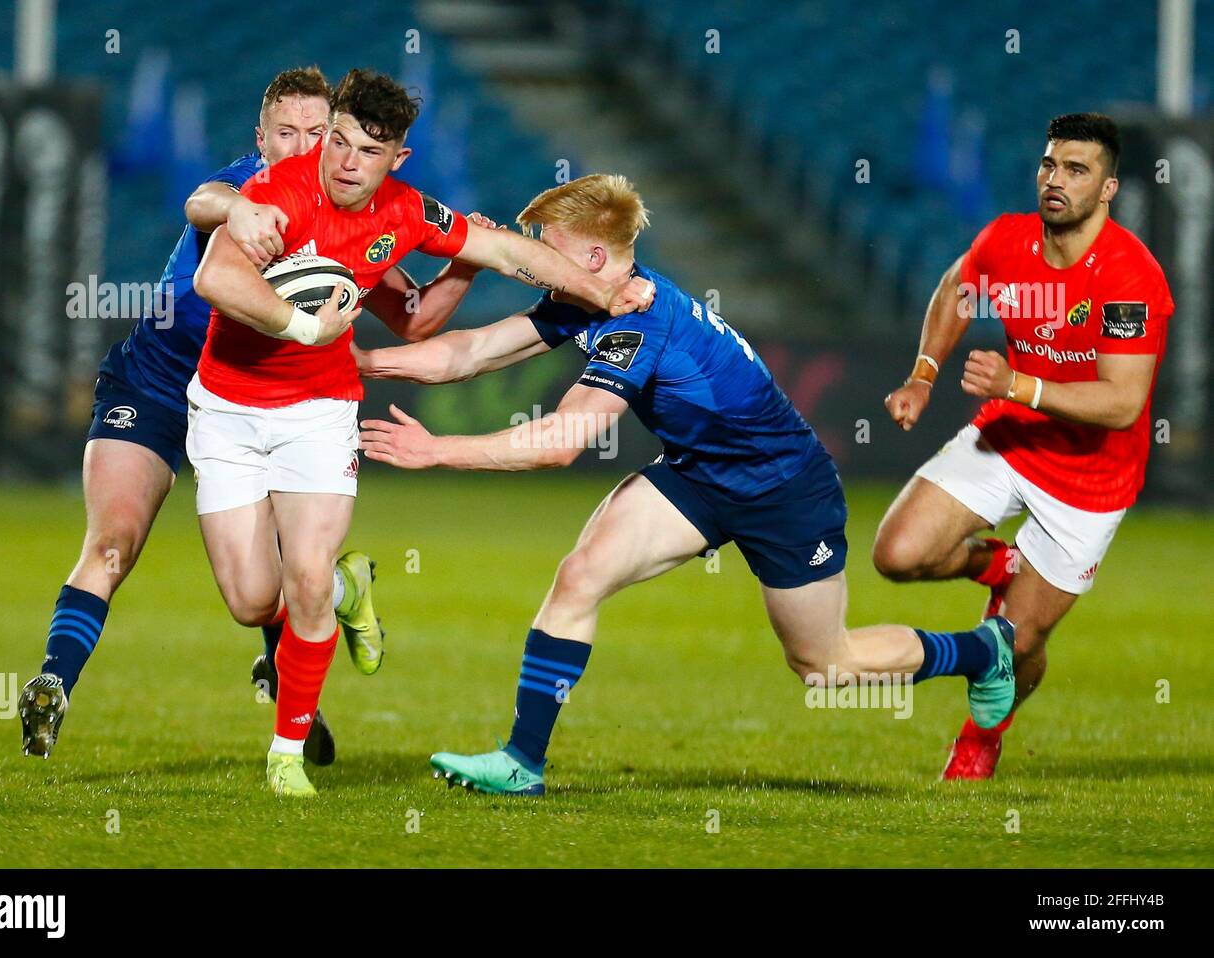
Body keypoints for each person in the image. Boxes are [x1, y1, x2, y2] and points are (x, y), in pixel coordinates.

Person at [355, 174, 1016, 796]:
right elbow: (470, 352)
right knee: (580, 575)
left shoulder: (636, 323)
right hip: (699, 474)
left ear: (590, 258)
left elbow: (560, 444)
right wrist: (359, 362)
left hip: (785, 490)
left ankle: (978, 652)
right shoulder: (588, 297)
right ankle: (522, 762)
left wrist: (439, 449)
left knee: (823, 666)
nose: (529, 262)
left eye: (541, 250)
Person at [189, 73, 656, 797]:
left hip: (319, 408)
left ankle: (285, 752)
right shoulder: (277, 192)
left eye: (366, 151)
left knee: (304, 577)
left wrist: (604, 293)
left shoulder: (406, 213)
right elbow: (215, 281)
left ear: (397, 159)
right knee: (253, 600)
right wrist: (308, 327)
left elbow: (510, 253)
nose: (343, 161)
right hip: (226, 407)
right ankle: (353, 586)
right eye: (337, 141)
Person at [18, 66, 484, 762]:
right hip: (155, 383)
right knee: (113, 542)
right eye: (286, 132)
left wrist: (466, 262)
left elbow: (415, 318)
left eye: (318, 133)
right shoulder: (240, 192)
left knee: (270, 574)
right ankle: (53, 683)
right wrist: (236, 210)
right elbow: (199, 201)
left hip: (257, 398)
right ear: (258, 139)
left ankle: (294, 685)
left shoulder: (353, 215)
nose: (302, 146)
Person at [875, 113, 1174, 779]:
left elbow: (1123, 402)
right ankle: (1001, 566)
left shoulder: (1130, 276)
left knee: (1021, 641)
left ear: (1108, 189)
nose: (1055, 180)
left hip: (1091, 480)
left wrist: (1019, 382)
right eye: (1049, 165)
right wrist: (922, 376)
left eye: (1076, 170)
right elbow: (958, 286)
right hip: (1008, 440)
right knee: (897, 554)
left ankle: (984, 736)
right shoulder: (1008, 240)